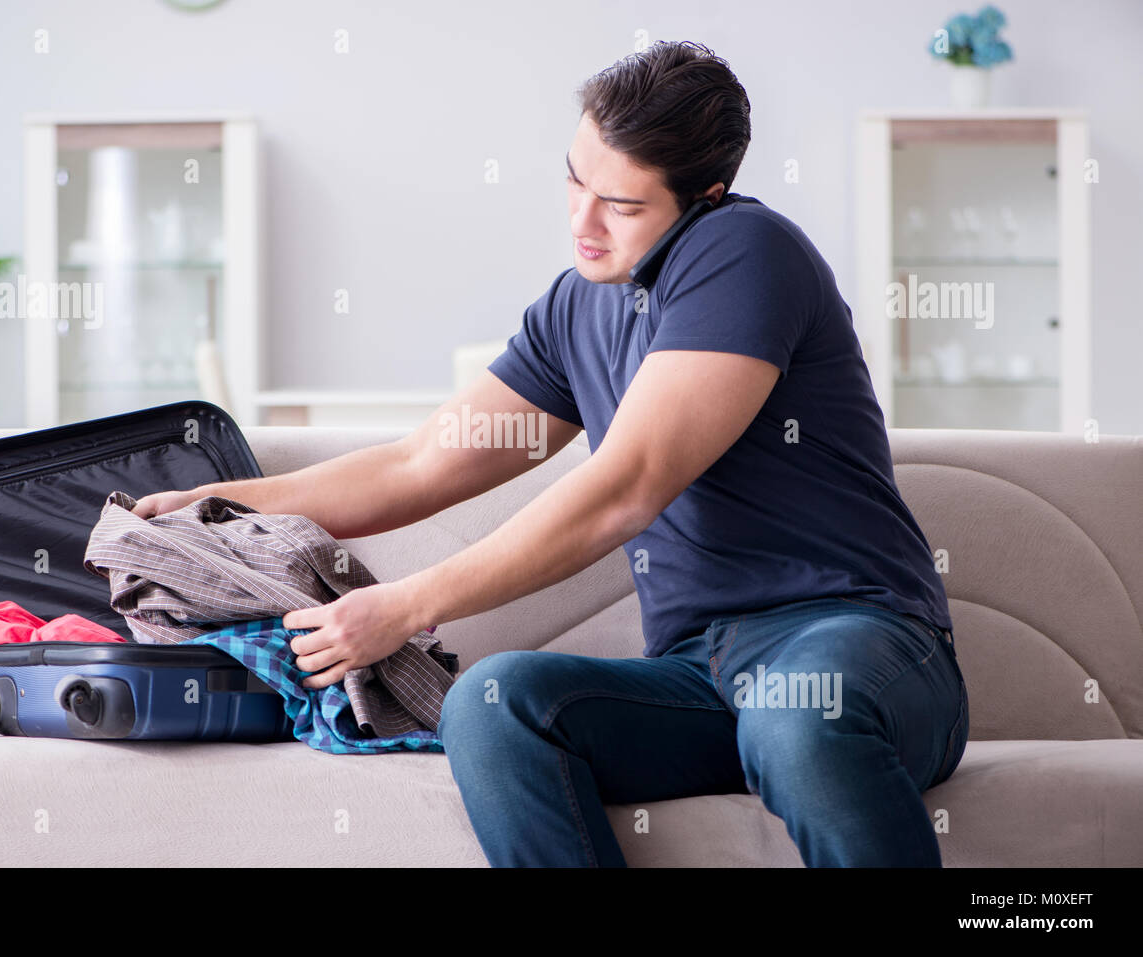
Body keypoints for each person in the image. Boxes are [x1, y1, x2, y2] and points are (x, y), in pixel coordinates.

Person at [133, 40, 968, 868]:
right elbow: (420, 463)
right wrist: (233, 503)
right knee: (492, 706)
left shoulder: (743, 253)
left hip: (859, 644)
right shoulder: (576, 311)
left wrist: (404, 605)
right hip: (703, 681)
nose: (582, 221)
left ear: (704, 198)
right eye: (575, 178)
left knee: (795, 716)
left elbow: (625, 488)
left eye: (623, 205)